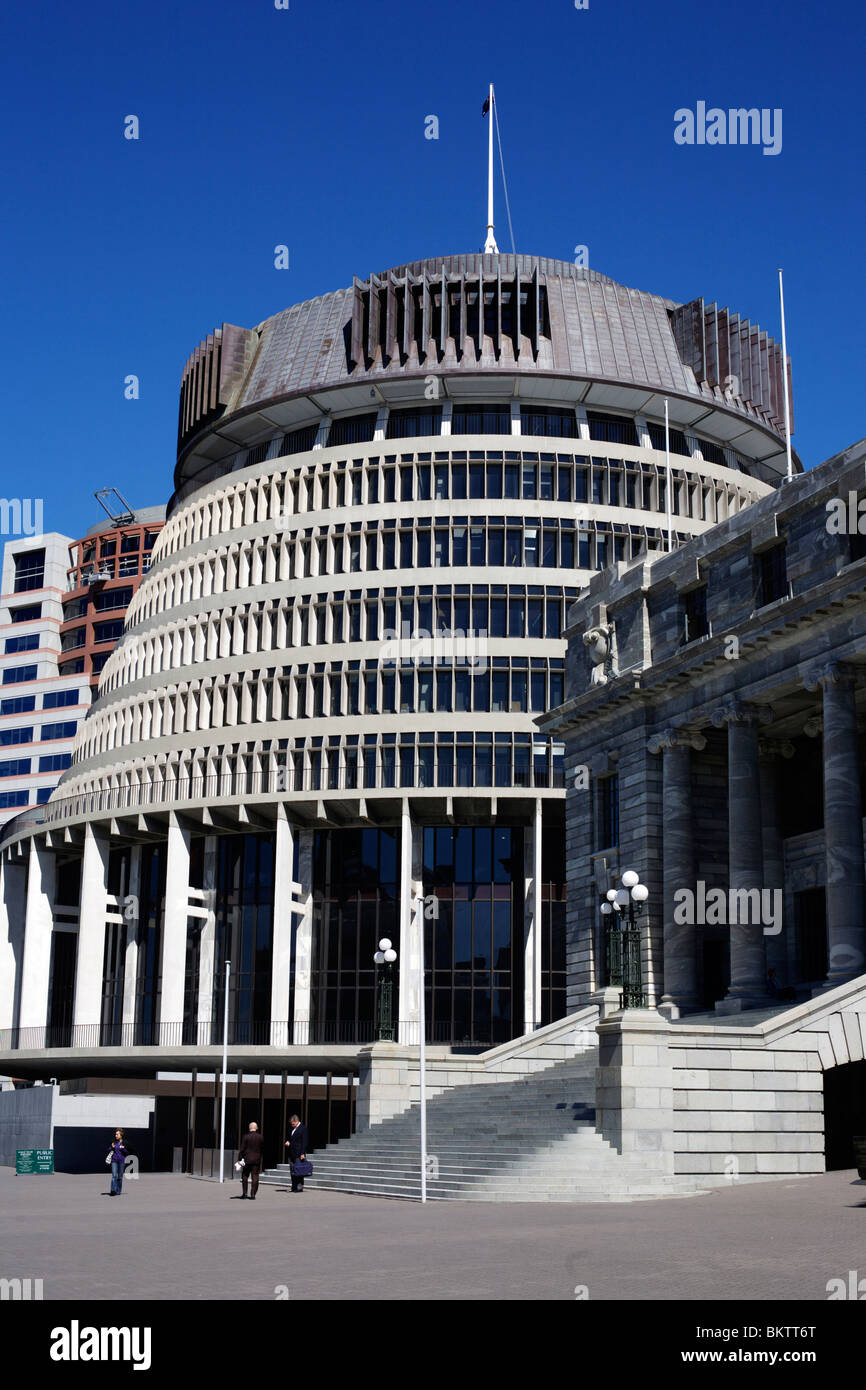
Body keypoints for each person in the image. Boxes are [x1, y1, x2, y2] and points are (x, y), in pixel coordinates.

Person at [237, 1121, 265, 1199]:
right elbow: (262, 1149)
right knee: (255, 1177)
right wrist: (260, 1156)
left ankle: (245, 1193)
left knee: (245, 1176)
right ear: (256, 1128)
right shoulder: (260, 1137)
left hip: (247, 1159)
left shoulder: (246, 1137)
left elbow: (242, 1149)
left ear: (250, 1128)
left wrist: (239, 1159)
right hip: (256, 1160)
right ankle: (253, 1194)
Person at [284, 1113, 309, 1192]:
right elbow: (290, 1138)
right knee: (292, 1170)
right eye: (291, 1124)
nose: (292, 1125)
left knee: (299, 1170)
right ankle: (294, 1186)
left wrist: (302, 1153)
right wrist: (288, 1141)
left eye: (293, 1123)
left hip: (298, 1153)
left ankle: (299, 1186)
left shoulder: (303, 1129)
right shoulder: (292, 1129)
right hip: (291, 1153)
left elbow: (304, 1142)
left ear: (297, 1121)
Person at [108, 1129, 127, 1196]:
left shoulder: (124, 1142)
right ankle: (113, 1190)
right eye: (115, 1134)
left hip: (121, 1161)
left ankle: (118, 1191)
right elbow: (109, 1149)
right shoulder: (114, 1142)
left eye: (117, 1134)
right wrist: (111, 1147)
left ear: (121, 1135)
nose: (116, 1135)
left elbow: (128, 1152)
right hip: (114, 1161)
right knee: (114, 1176)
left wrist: (123, 1148)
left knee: (120, 1177)